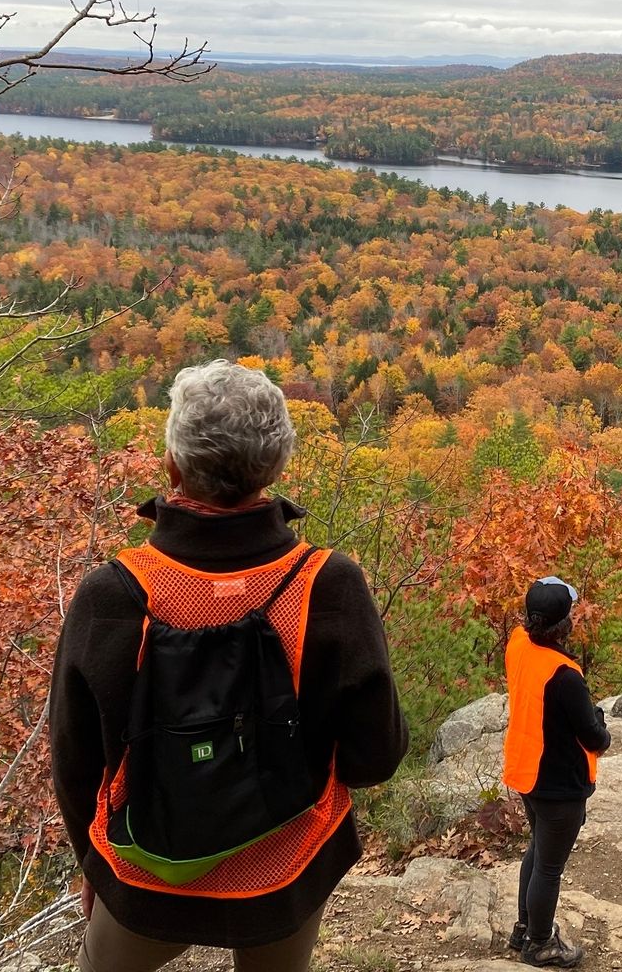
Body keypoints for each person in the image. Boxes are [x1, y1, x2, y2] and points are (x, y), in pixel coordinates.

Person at [50, 360, 408, 972]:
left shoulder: (111, 594)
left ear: (173, 467)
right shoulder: (329, 585)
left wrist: (95, 863)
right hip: (284, 873)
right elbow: (375, 757)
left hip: (144, 881)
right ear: (276, 467)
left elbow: (74, 758)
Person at [501, 576, 611, 969]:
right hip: (558, 783)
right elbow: (594, 737)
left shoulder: (518, 644)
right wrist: (601, 724)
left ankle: (524, 929)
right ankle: (540, 943)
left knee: (537, 852)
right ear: (565, 624)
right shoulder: (565, 675)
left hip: (527, 772)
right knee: (549, 867)